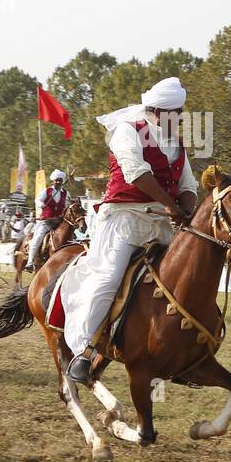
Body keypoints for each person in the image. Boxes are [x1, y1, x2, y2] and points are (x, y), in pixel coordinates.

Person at [61, 77, 198, 383]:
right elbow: (136, 173)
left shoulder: (177, 143)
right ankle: (84, 351)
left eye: (182, 112)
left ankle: (178, 355)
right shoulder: (127, 132)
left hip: (162, 224)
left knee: (185, 280)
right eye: (178, 112)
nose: (182, 118)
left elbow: (188, 185)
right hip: (124, 219)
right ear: (158, 112)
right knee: (108, 278)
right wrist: (171, 206)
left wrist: (185, 210)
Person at [29, 169, 68, 270]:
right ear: (53, 181)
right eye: (57, 180)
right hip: (46, 222)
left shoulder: (65, 193)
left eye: (60, 180)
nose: (58, 182)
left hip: (59, 222)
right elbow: (38, 200)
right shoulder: (47, 191)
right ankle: (30, 262)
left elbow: (66, 206)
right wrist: (41, 205)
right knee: (37, 239)